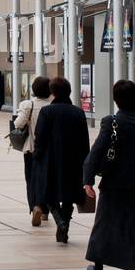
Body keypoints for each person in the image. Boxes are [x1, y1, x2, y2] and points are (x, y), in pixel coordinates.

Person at [84, 80, 135, 270]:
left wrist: (87, 180)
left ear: (115, 99)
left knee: (104, 226)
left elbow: (97, 152)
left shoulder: (111, 122)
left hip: (114, 183)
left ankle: (98, 269)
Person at [31, 77, 91, 244]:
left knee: (48, 193)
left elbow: (40, 137)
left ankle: (60, 221)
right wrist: (86, 161)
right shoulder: (78, 112)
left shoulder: (47, 112)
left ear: (53, 92)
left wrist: (37, 154)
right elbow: (84, 140)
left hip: (51, 160)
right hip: (74, 160)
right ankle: (63, 229)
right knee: (69, 195)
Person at [13, 76, 53, 227]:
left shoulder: (28, 104)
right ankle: (44, 211)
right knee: (47, 179)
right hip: (49, 151)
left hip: (31, 148)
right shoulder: (52, 105)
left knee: (31, 178)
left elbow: (18, 123)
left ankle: (34, 206)